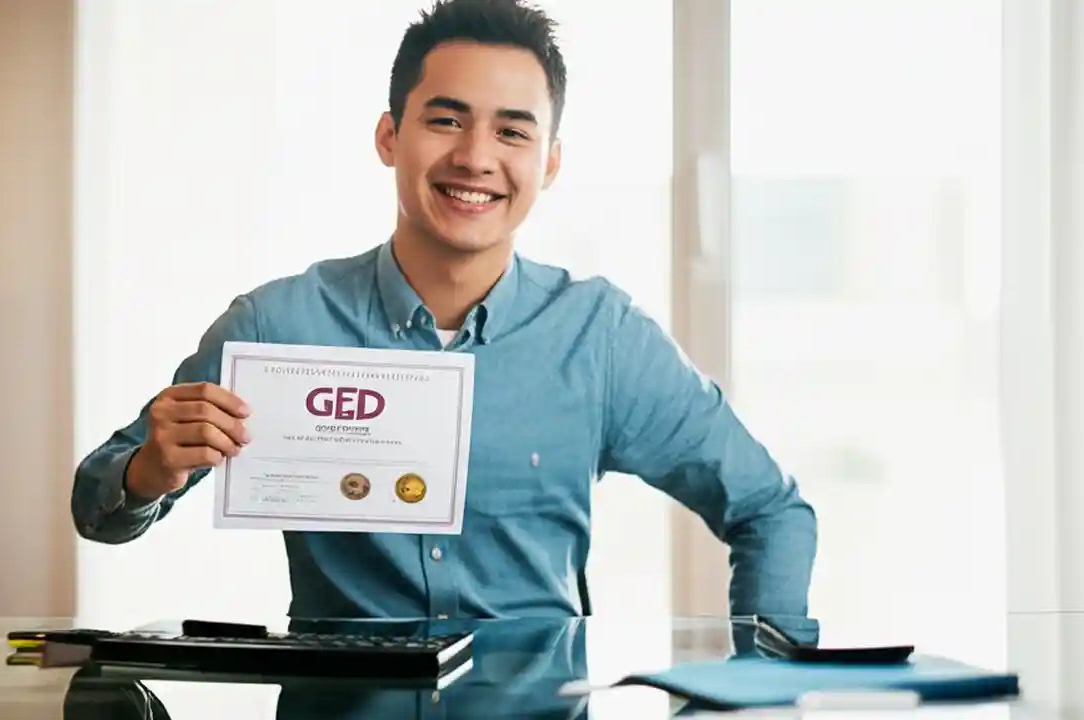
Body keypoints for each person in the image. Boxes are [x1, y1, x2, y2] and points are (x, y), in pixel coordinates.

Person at [72, 0, 817, 620]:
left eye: (513, 131)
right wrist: (147, 471)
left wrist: (755, 691)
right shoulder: (278, 325)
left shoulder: (601, 338)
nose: (475, 157)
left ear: (549, 162)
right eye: (446, 120)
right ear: (389, 137)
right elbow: (94, 506)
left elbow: (771, 512)